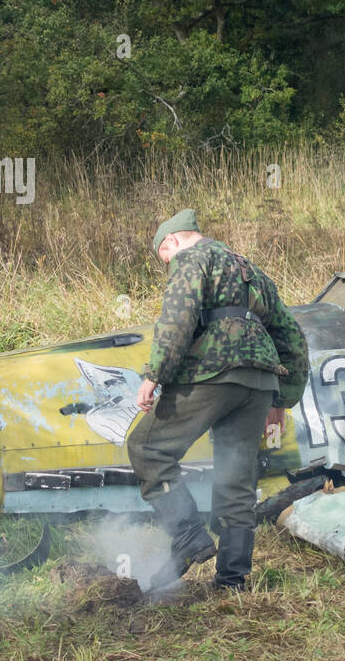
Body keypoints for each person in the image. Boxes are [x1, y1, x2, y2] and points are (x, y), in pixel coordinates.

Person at [128, 208, 309, 593]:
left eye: (165, 257)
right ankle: (232, 580)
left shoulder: (191, 258)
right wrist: (282, 397)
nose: (168, 264)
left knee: (147, 448)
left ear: (172, 241)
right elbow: (291, 335)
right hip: (258, 381)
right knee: (236, 478)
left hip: (213, 371)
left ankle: (188, 535)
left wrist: (153, 375)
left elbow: (178, 318)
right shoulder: (251, 270)